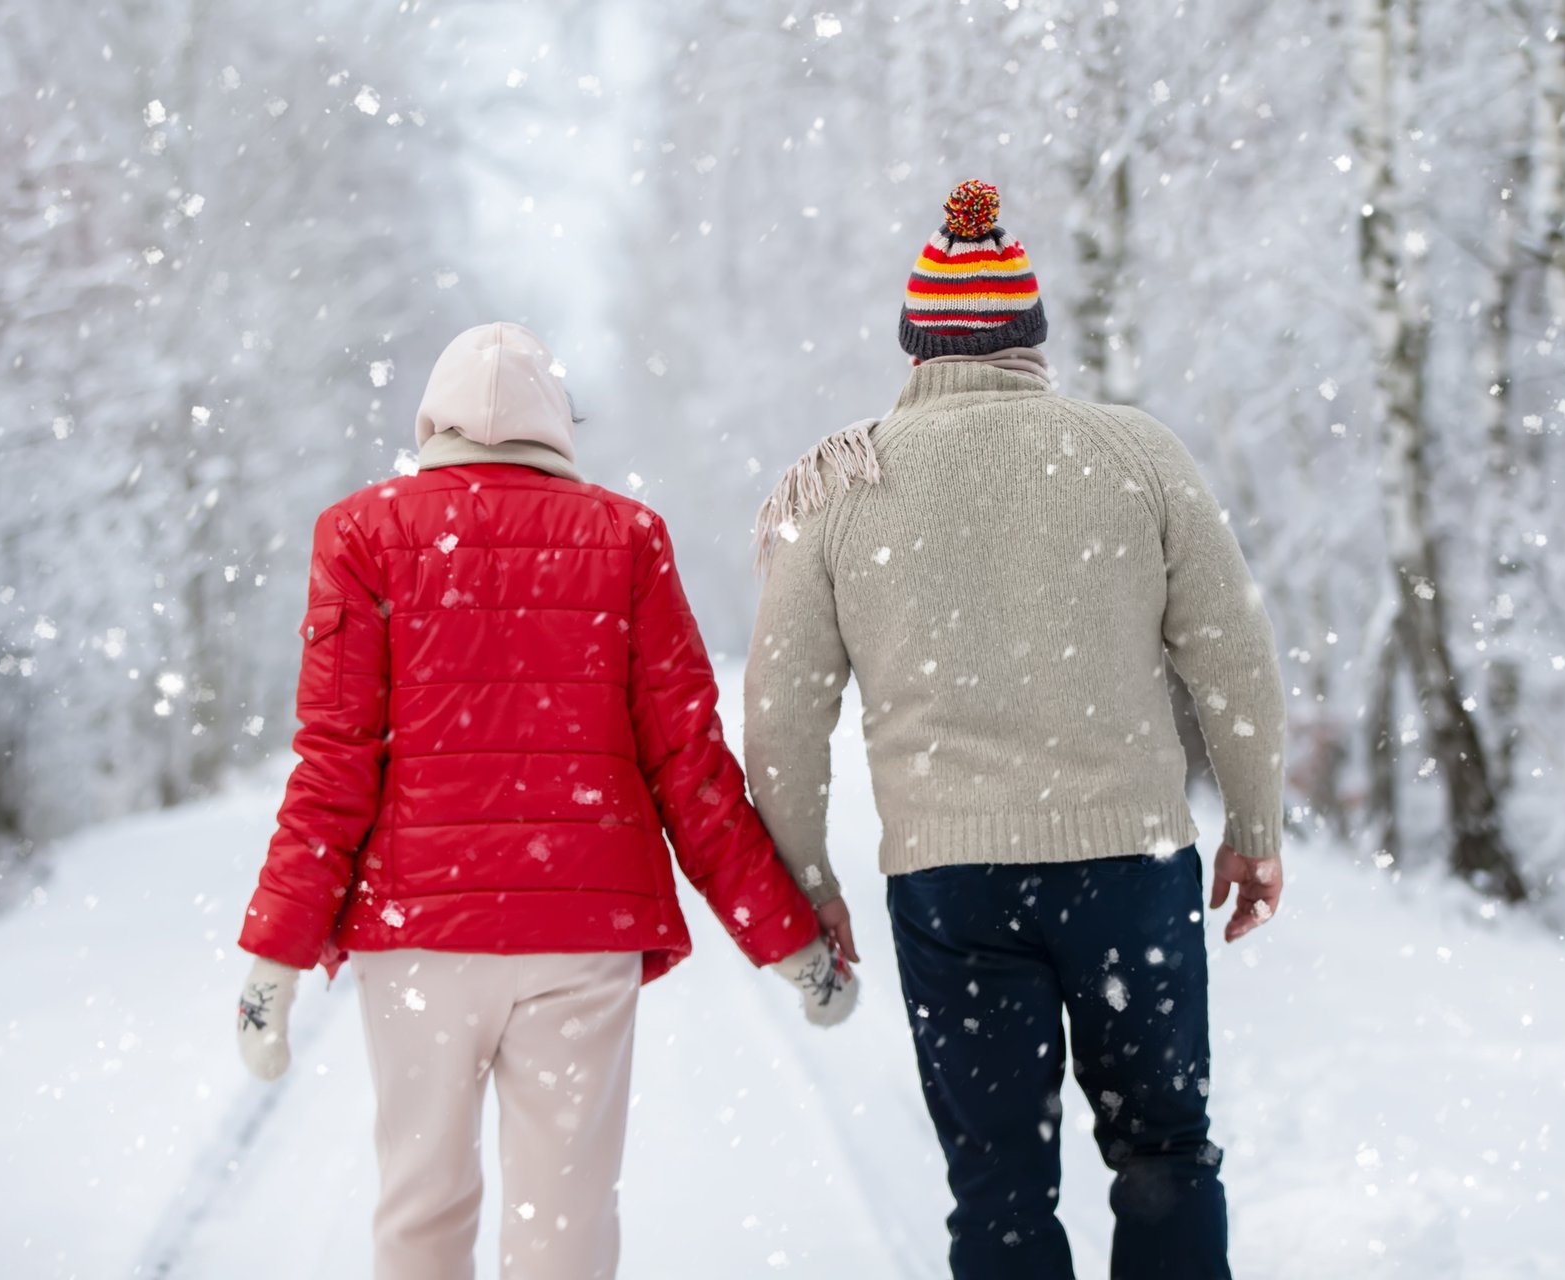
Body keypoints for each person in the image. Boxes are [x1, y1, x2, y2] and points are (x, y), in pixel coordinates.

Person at [232, 321, 857, 1280]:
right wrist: (791, 943)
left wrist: (274, 957)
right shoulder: (626, 537)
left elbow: (334, 764)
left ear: (433, 421)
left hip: (417, 942)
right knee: (563, 1223)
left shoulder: (361, 534)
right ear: (557, 428)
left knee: (419, 1207)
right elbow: (688, 767)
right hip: (580, 937)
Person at [743, 180, 1285, 1280]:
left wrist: (808, 876)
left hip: (954, 885)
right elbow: (1233, 655)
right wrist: (1257, 825)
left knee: (998, 1186)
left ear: (914, 346)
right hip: (1130, 867)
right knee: (1166, 1152)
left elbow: (782, 711)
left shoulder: (843, 485)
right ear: (1032, 336)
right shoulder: (1135, 453)